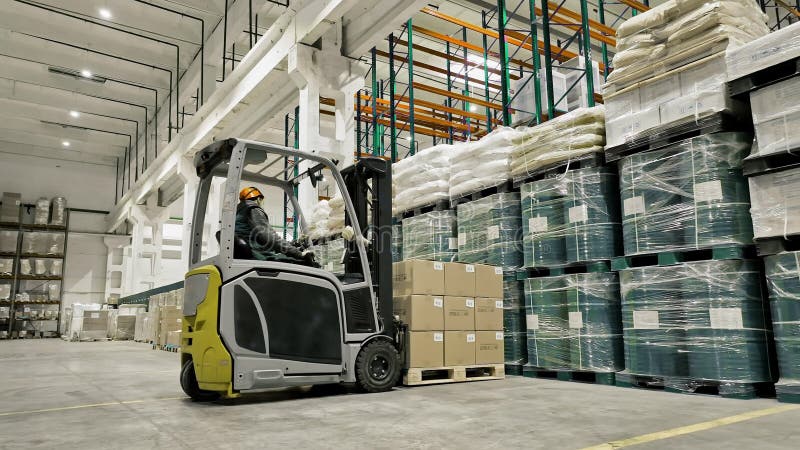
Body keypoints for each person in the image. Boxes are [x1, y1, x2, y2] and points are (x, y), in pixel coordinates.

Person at [235, 187, 317, 266]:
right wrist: (299, 254)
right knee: (307, 263)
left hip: (253, 254)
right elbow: (270, 239)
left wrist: (293, 244)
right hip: (259, 256)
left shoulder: (239, 213)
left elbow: (263, 240)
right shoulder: (253, 209)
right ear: (259, 199)